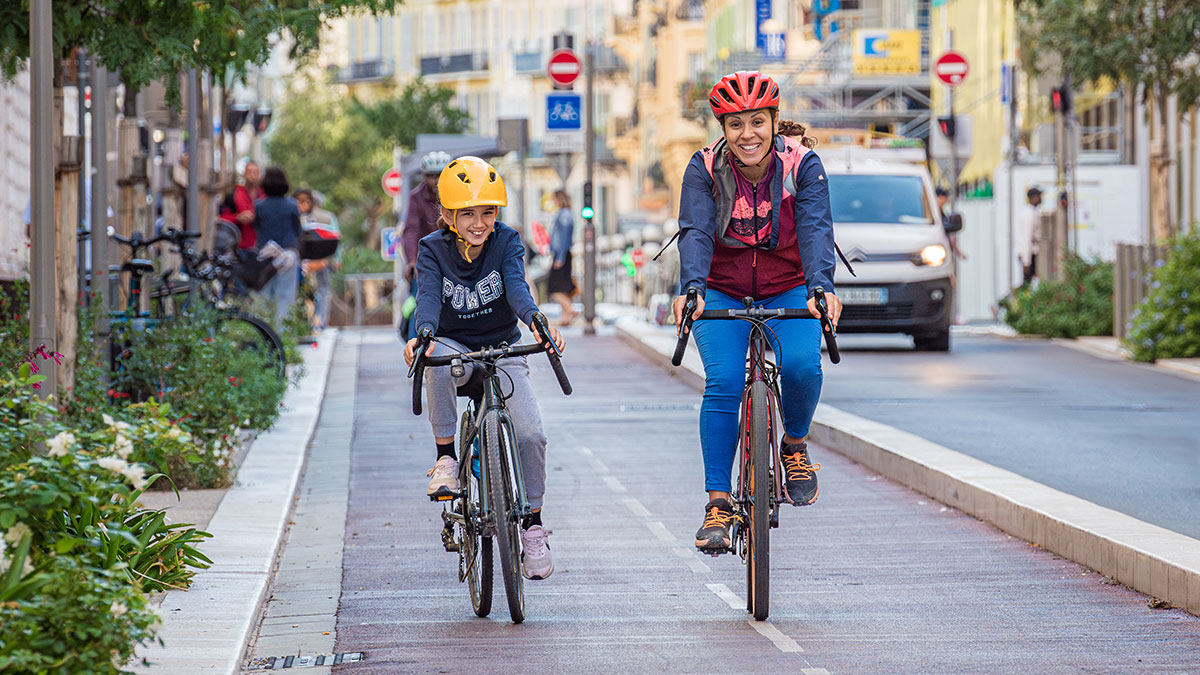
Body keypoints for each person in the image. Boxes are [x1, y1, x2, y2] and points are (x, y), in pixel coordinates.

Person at [671, 70, 843, 552]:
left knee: (804, 366)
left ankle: (793, 447)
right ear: (722, 129)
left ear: (773, 121)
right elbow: (697, 230)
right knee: (724, 381)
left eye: (757, 122)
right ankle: (718, 504)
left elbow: (815, 229)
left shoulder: (802, 165)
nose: (747, 134)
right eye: (735, 124)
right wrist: (693, 288)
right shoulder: (703, 168)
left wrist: (820, 287)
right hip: (720, 289)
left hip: (788, 285)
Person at [403, 156, 564, 581]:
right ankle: (446, 459)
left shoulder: (507, 241)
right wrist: (422, 334)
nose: (479, 222)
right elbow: (429, 298)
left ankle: (532, 525)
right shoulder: (432, 248)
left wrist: (536, 321)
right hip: (455, 346)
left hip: (503, 346)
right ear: (448, 215)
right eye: (468, 213)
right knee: (436, 355)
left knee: (532, 433)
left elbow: (516, 288)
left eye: (488, 211)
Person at [401, 151, 453, 339]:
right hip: (426, 259)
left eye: (440, 175)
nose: (436, 180)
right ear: (424, 176)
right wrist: (412, 260)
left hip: (454, 256)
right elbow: (411, 230)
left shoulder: (457, 194)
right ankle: (417, 347)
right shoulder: (416, 197)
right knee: (420, 300)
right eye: (431, 176)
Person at [253, 167, 302, 328]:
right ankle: (283, 334)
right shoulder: (292, 205)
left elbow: (257, 227)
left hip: (266, 254)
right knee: (286, 296)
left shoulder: (259, 206)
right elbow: (297, 230)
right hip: (288, 253)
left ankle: (265, 332)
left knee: (265, 294)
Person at [295, 189, 341, 331]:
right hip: (323, 260)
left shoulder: (299, 216)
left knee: (304, 291)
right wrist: (337, 259)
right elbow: (337, 238)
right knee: (324, 290)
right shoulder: (329, 217)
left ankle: (307, 321)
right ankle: (321, 321)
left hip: (302, 260)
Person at [547, 190, 577, 325]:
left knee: (554, 288)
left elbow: (564, 238)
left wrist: (560, 257)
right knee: (563, 287)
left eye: (555, 199)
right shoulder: (567, 213)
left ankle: (570, 310)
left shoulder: (564, 214)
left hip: (561, 255)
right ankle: (565, 318)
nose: (554, 202)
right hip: (563, 254)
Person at [220, 160, 263, 250]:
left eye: (255, 172)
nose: (252, 176)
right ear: (244, 174)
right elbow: (221, 218)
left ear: (260, 175)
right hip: (238, 244)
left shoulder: (265, 195)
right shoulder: (232, 194)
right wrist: (238, 218)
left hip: (261, 244)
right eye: (249, 172)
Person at [1017, 186, 1042, 285]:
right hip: (1029, 254)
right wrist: (1026, 261)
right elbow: (1027, 237)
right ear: (1034, 197)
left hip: (1030, 253)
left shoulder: (1033, 212)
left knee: (1030, 284)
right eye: (1039, 196)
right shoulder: (1029, 214)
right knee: (1027, 284)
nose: (1041, 199)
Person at [936, 187, 967, 261]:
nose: (946, 200)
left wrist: (958, 252)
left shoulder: (943, 215)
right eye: (943, 197)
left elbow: (951, 236)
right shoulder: (931, 215)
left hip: (944, 253)